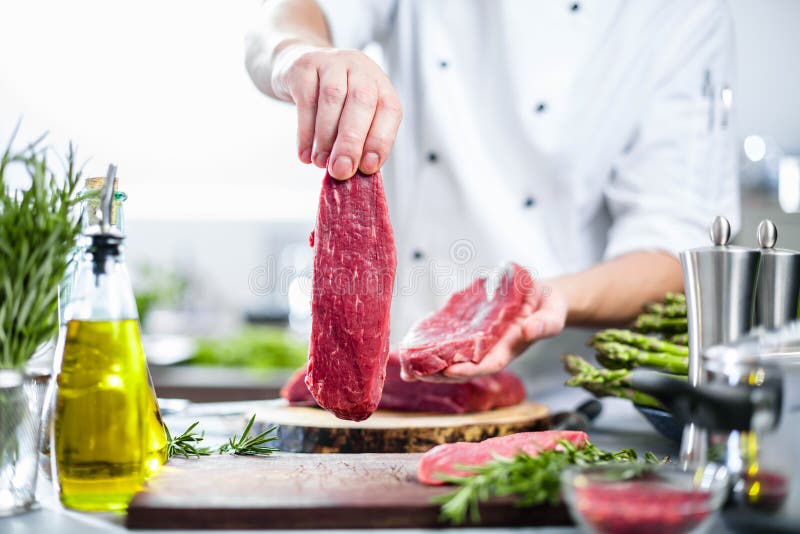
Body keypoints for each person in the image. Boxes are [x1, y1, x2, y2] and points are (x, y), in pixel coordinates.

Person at [245, 0, 738, 381]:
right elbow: (286, 15)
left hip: (555, 386)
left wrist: (549, 299)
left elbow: (677, 248)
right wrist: (302, 54)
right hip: (396, 368)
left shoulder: (678, 12)